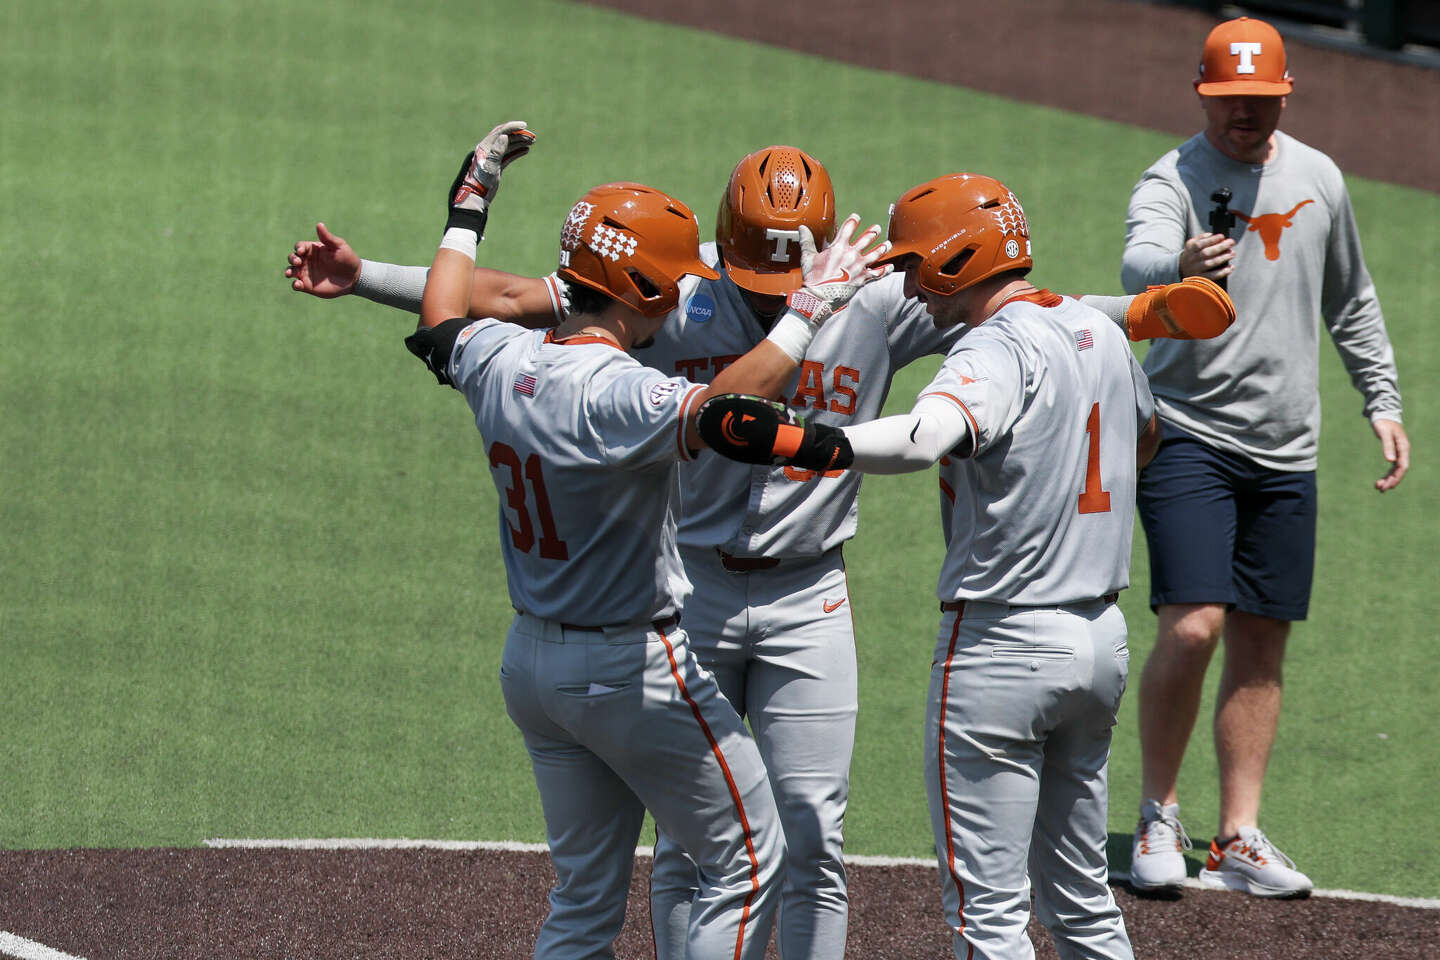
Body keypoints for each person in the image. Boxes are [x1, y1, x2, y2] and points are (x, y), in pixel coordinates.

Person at [286, 144, 1230, 960]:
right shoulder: (674, 283)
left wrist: (1140, 310)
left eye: (797, 278)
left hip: (807, 594)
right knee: (696, 844)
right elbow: (515, 299)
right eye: (760, 277)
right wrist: (367, 272)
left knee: (814, 832)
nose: (783, 292)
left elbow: (1010, 309)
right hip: (683, 589)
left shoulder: (872, 292)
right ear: (717, 255)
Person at [393, 121, 890, 959]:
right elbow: (731, 413)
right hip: (632, 669)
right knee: (753, 856)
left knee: (584, 899)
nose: (679, 296)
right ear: (635, 291)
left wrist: (470, 200)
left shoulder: (496, 359)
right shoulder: (623, 393)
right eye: (670, 282)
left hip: (531, 665)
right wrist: (809, 323)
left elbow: (444, 311)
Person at [699, 172, 1158, 960]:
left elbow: (921, 437)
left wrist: (805, 442)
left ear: (954, 259)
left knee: (989, 915)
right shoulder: (1098, 331)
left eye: (914, 263)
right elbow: (1144, 439)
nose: (907, 283)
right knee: (1083, 898)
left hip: (1004, 648)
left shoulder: (994, 346)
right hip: (1101, 642)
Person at [1120, 16, 1410, 899]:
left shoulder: (1318, 178)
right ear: (1203, 95)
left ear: (1284, 94)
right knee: (1196, 622)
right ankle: (1157, 814)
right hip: (1187, 434)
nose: (1243, 115)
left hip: (1288, 450)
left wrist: (1384, 399)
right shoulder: (1171, 177)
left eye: (1258, 100)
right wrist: (1177, 261)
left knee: (1261, 636)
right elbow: (1136, 264)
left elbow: (1351, 299)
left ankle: (1238, 834)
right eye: (1227, 101)